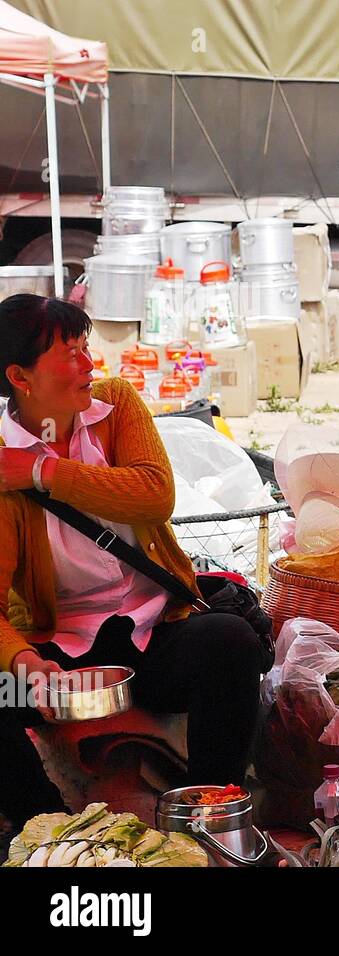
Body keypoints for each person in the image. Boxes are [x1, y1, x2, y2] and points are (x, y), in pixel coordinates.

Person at [0, 294, 266, 837]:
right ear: (20, 377)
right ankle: (45, 827)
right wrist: (30, 665)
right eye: (69, 354)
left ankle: (212, 816)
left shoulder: (116, 406)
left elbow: (153, 495)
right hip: (62, 647)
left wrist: (42, 472)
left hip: (150, 630)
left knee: (230, 641)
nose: (88, 365)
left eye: (85, 348)